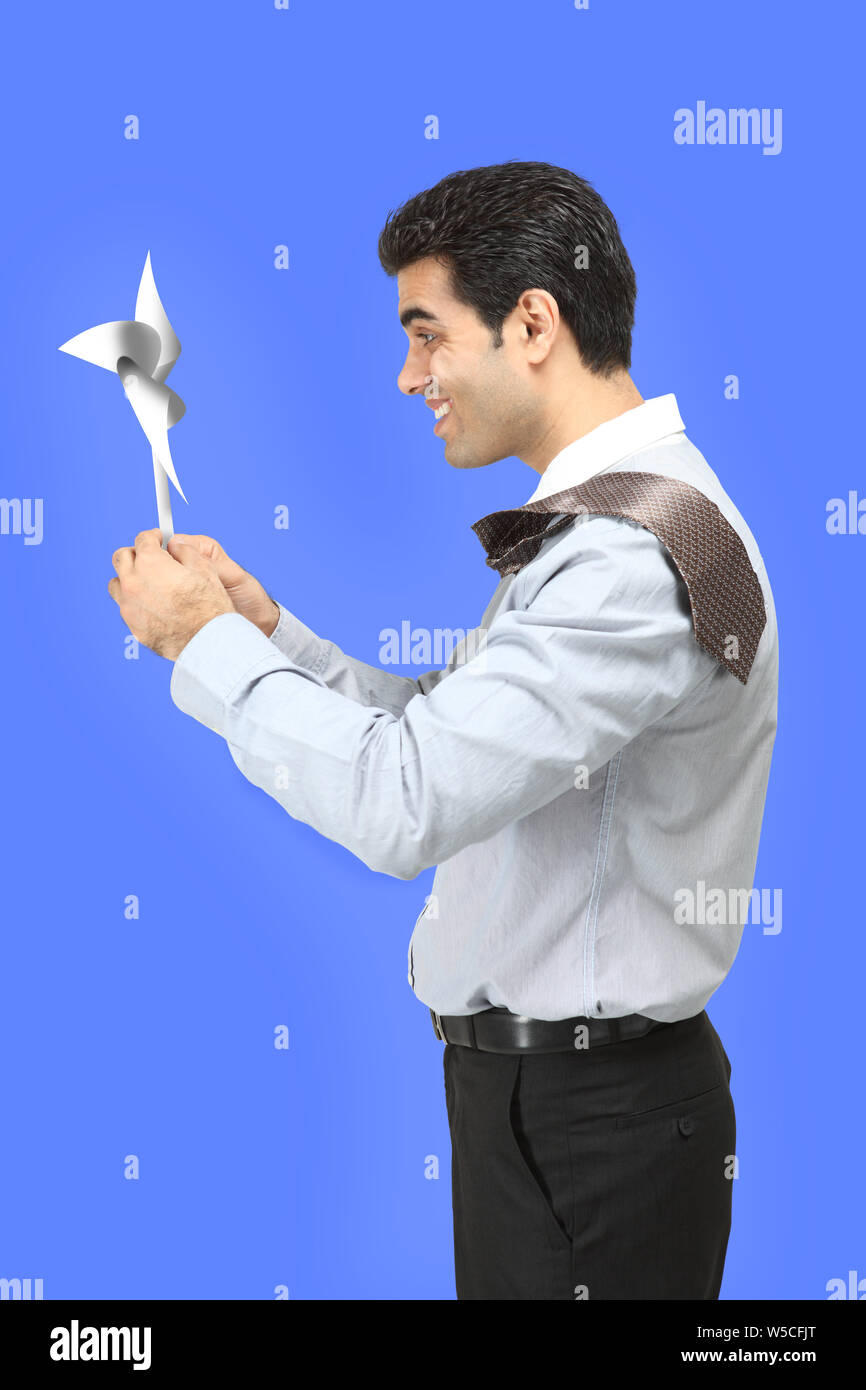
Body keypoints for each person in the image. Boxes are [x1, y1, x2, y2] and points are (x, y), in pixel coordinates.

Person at [108, 161, 778, 1301]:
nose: (408, 374)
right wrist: (267, 634)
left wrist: (199, 647)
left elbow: (403, 801)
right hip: (557, 1110)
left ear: (531, 323)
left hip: (589, 1125)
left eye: (427, 334)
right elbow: (449, 736)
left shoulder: (624, 559)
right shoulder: (618, 520)